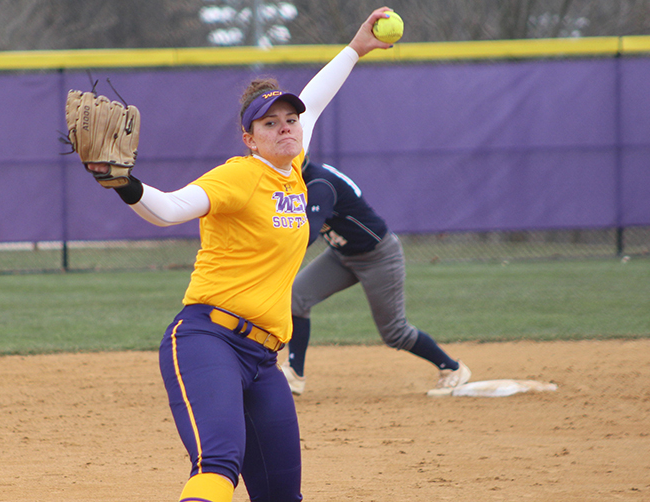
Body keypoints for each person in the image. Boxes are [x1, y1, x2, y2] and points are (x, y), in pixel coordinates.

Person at [85, 8, 394, 502]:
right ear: (250, 139)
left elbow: (315, 98)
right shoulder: (239, 176)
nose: (286, 127)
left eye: (290, 120)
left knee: (280, 494)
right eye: (270, 124)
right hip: (208, 340)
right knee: (218, 464)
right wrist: (125, 184)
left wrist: (356, 49)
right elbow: (169, 210)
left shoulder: (290, 167)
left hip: (263, 357)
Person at [280, 158, 472, 396]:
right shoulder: (294, 179)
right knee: (296, 298)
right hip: (341, 255)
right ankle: (295, 375)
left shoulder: (319, 184)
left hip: (378, 256)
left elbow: (307, 233)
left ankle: (452, 368)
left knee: (395, 332)